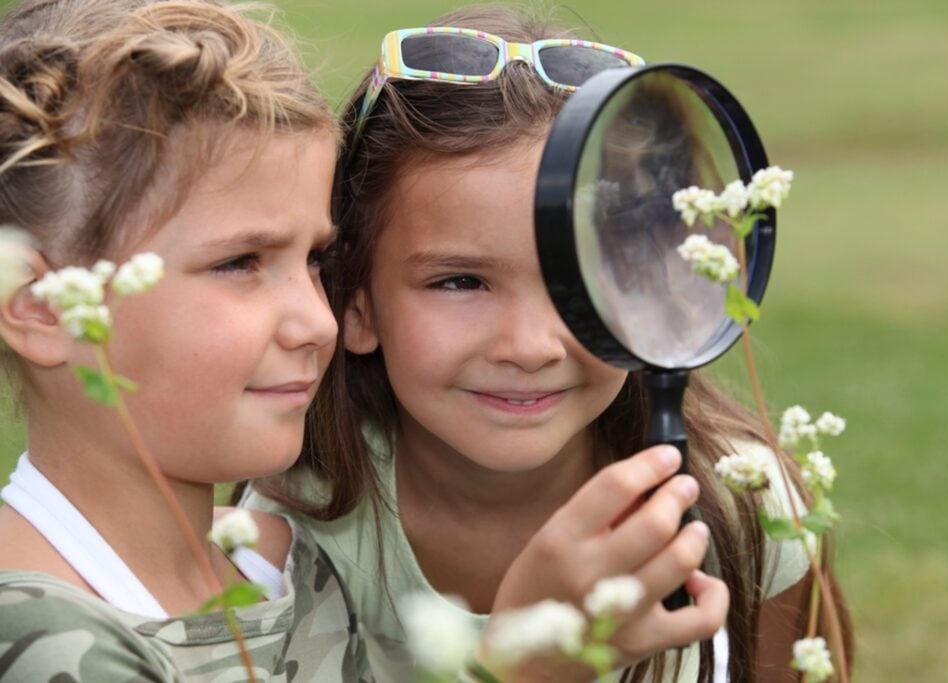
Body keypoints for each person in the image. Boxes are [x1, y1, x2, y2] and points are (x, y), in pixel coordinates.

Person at [245, 5, 852, 682]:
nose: (530, 345)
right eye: (460, 281)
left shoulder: (743, 509)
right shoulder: (289, 530)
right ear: (356, 299)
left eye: (579, 278)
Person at [0, 1, 369, 680]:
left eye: (316, 258)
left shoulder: (292, 562)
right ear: (42, 308)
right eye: (240, 263)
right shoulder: (38, 631)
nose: (318, 322)